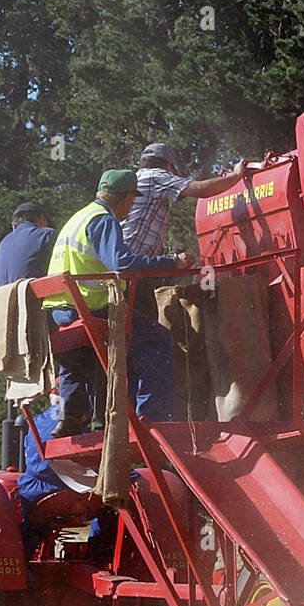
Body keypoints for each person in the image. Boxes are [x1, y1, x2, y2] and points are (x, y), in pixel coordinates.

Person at [43, 170, 197, 437]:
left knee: (76, 363)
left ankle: (71, 419)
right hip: (90, 308)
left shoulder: (77, 218)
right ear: (126, 199)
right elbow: (122, 263)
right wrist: (172, 262)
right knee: (156, 340)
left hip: (60, 313)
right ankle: (154, 419)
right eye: (131, 201)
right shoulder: (102, 220)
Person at [121, 143, 247, 257]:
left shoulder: (136, 178)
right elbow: (202, 190)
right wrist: (236, 175)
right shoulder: (155, 176)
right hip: (133, 259)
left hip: (122, 256)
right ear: (169, 165)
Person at [0, 202, 55, 286]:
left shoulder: (2, 243)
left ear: (13, 225)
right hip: (36, 297)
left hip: (4, 298)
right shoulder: (46, 234)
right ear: (42, 218)